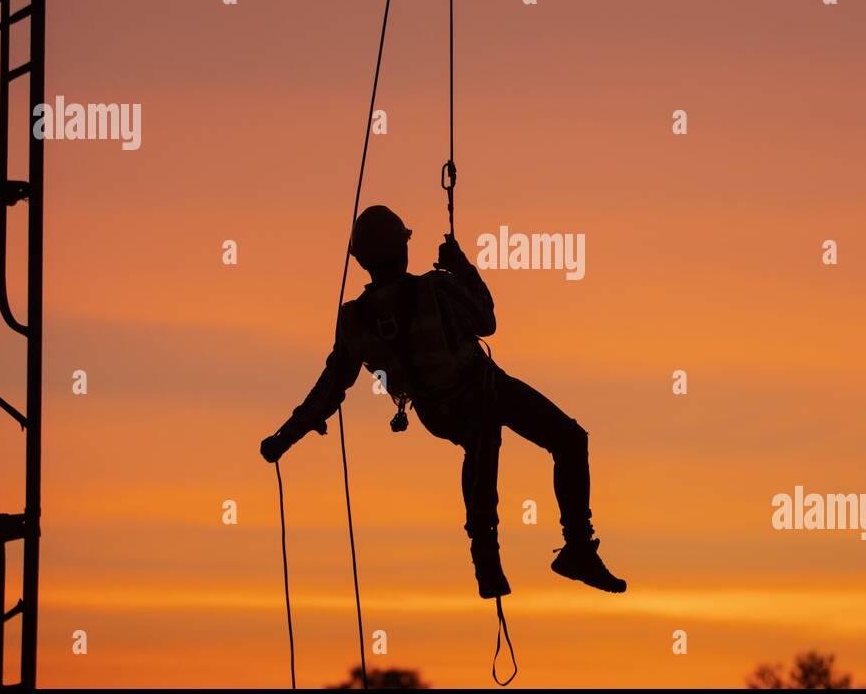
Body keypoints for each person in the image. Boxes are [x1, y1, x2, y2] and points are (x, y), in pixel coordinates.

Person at [260, 205, 626, 599]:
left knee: (490, 434)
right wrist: (462, 267)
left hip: (435, 412)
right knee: (561, 438)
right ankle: (556, 549)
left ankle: (501, 557)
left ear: (361, 260)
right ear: (403, 249)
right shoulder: (435, 288)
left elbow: (330, 388)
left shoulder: (355, 319)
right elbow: (487, 321)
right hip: (481, 388)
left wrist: (286, 436)